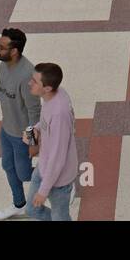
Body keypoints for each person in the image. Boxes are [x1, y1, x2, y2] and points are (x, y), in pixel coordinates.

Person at [0, 28, 43, 220]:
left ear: (14, 51)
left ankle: (60, 181)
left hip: (22, 135)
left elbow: (34, 112)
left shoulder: (27, 75)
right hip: (6, 130)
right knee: (8, 166)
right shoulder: (4, 65)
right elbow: (3, 86)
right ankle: (19, 204)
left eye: (1, 47)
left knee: (23, 174)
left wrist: (32, 142)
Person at [25, 62, 80, 221]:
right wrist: (35, 130)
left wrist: (44, 190)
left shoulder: (59, 113)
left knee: (60, 217)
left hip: (59, 180)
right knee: (32, 210)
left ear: (47, 88)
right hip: (44, 166)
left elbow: (58, 157)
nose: (30, 83)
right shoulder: (54, 94)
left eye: (35, 81)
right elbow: (45, 122)